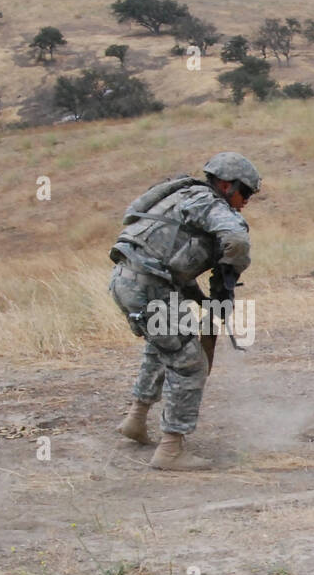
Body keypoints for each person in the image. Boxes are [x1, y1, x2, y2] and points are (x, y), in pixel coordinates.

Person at [110, 152, 259, 470]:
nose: (245, 201)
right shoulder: (210, 203)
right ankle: (171, 450)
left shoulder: (183, 194)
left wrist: (206, 299)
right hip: (150, 289)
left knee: (161, 347)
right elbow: (237, 241)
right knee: (190, 364)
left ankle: (135, 420)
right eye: (244, 192)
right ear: (224, 184)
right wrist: (227, 273)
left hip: (127, 281)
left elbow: (170, 259)